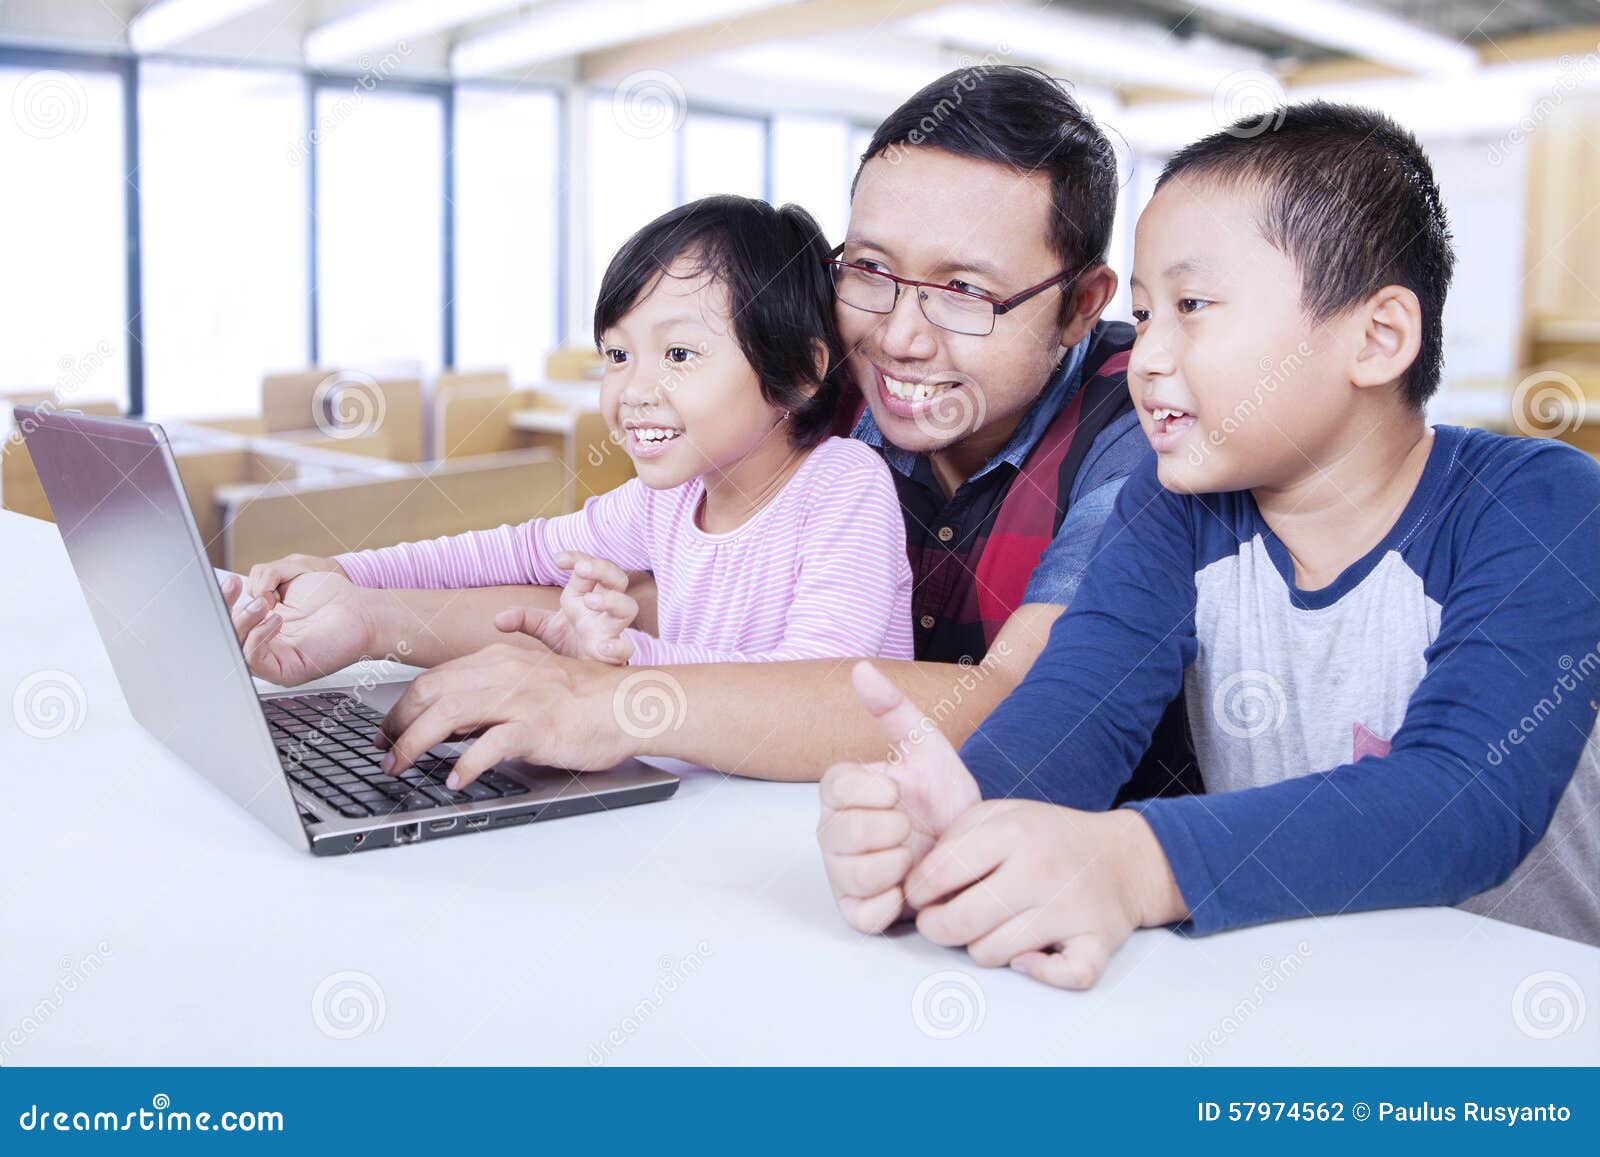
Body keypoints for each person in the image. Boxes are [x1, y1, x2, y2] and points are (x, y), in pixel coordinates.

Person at [230, 66, 1195, 796]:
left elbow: (1014, 704)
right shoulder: (825, 379)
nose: (899, 335)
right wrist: (367, 613)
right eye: (868, 269)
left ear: (1080, 305)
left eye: (965, 292)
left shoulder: (1137, 421)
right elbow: (624, 598)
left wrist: (610, 699)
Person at [818, 102, 1600, 989]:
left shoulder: (1537, 502)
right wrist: (959, 819)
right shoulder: (1176, 505)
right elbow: (1074, 718)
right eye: (1146, 315)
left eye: (1192, 306)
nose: (1147, 357)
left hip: (1535, 1022)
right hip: (1293, 1001)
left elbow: (1463, 801)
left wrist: (1135, 861)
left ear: (1377, 337)